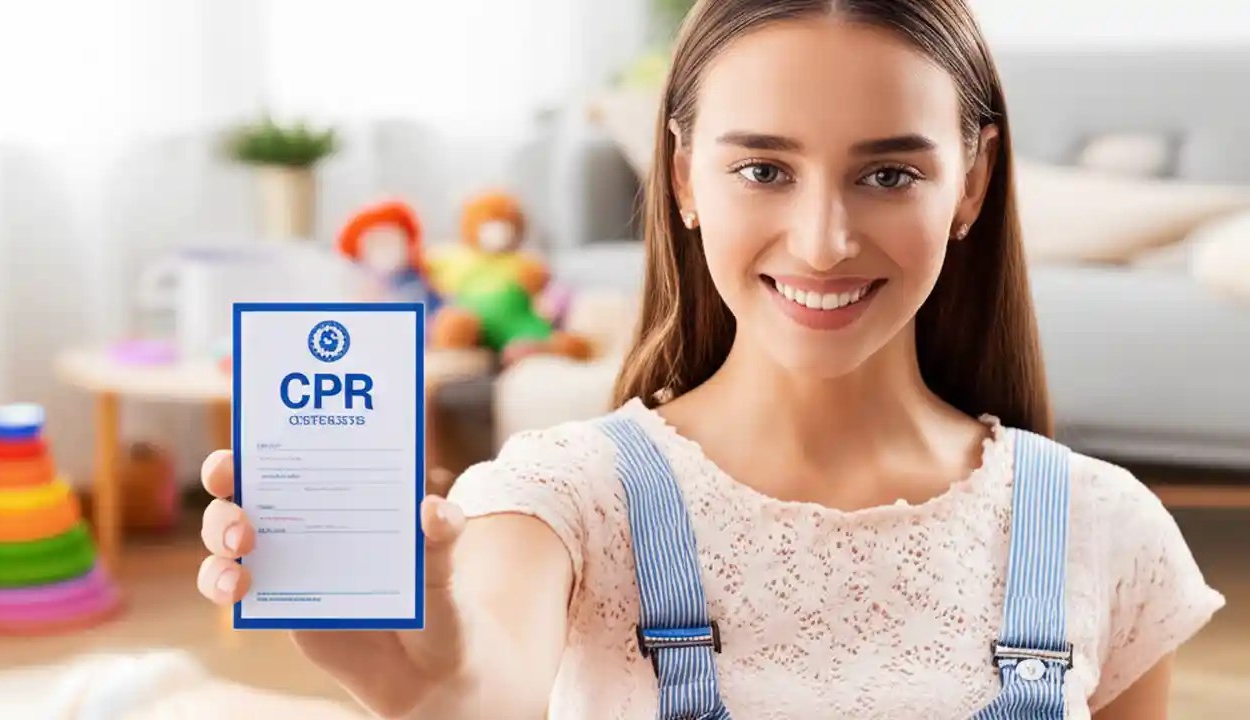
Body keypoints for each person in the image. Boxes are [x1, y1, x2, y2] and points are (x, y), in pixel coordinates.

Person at [196, 1, 1226, 717]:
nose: (823, 241)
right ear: (683, 177)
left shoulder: (1103, 527)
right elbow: (487, 681)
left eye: (887, 175)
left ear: (972, 182)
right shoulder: (563, 495)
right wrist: (428, 691)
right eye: (763, 169)